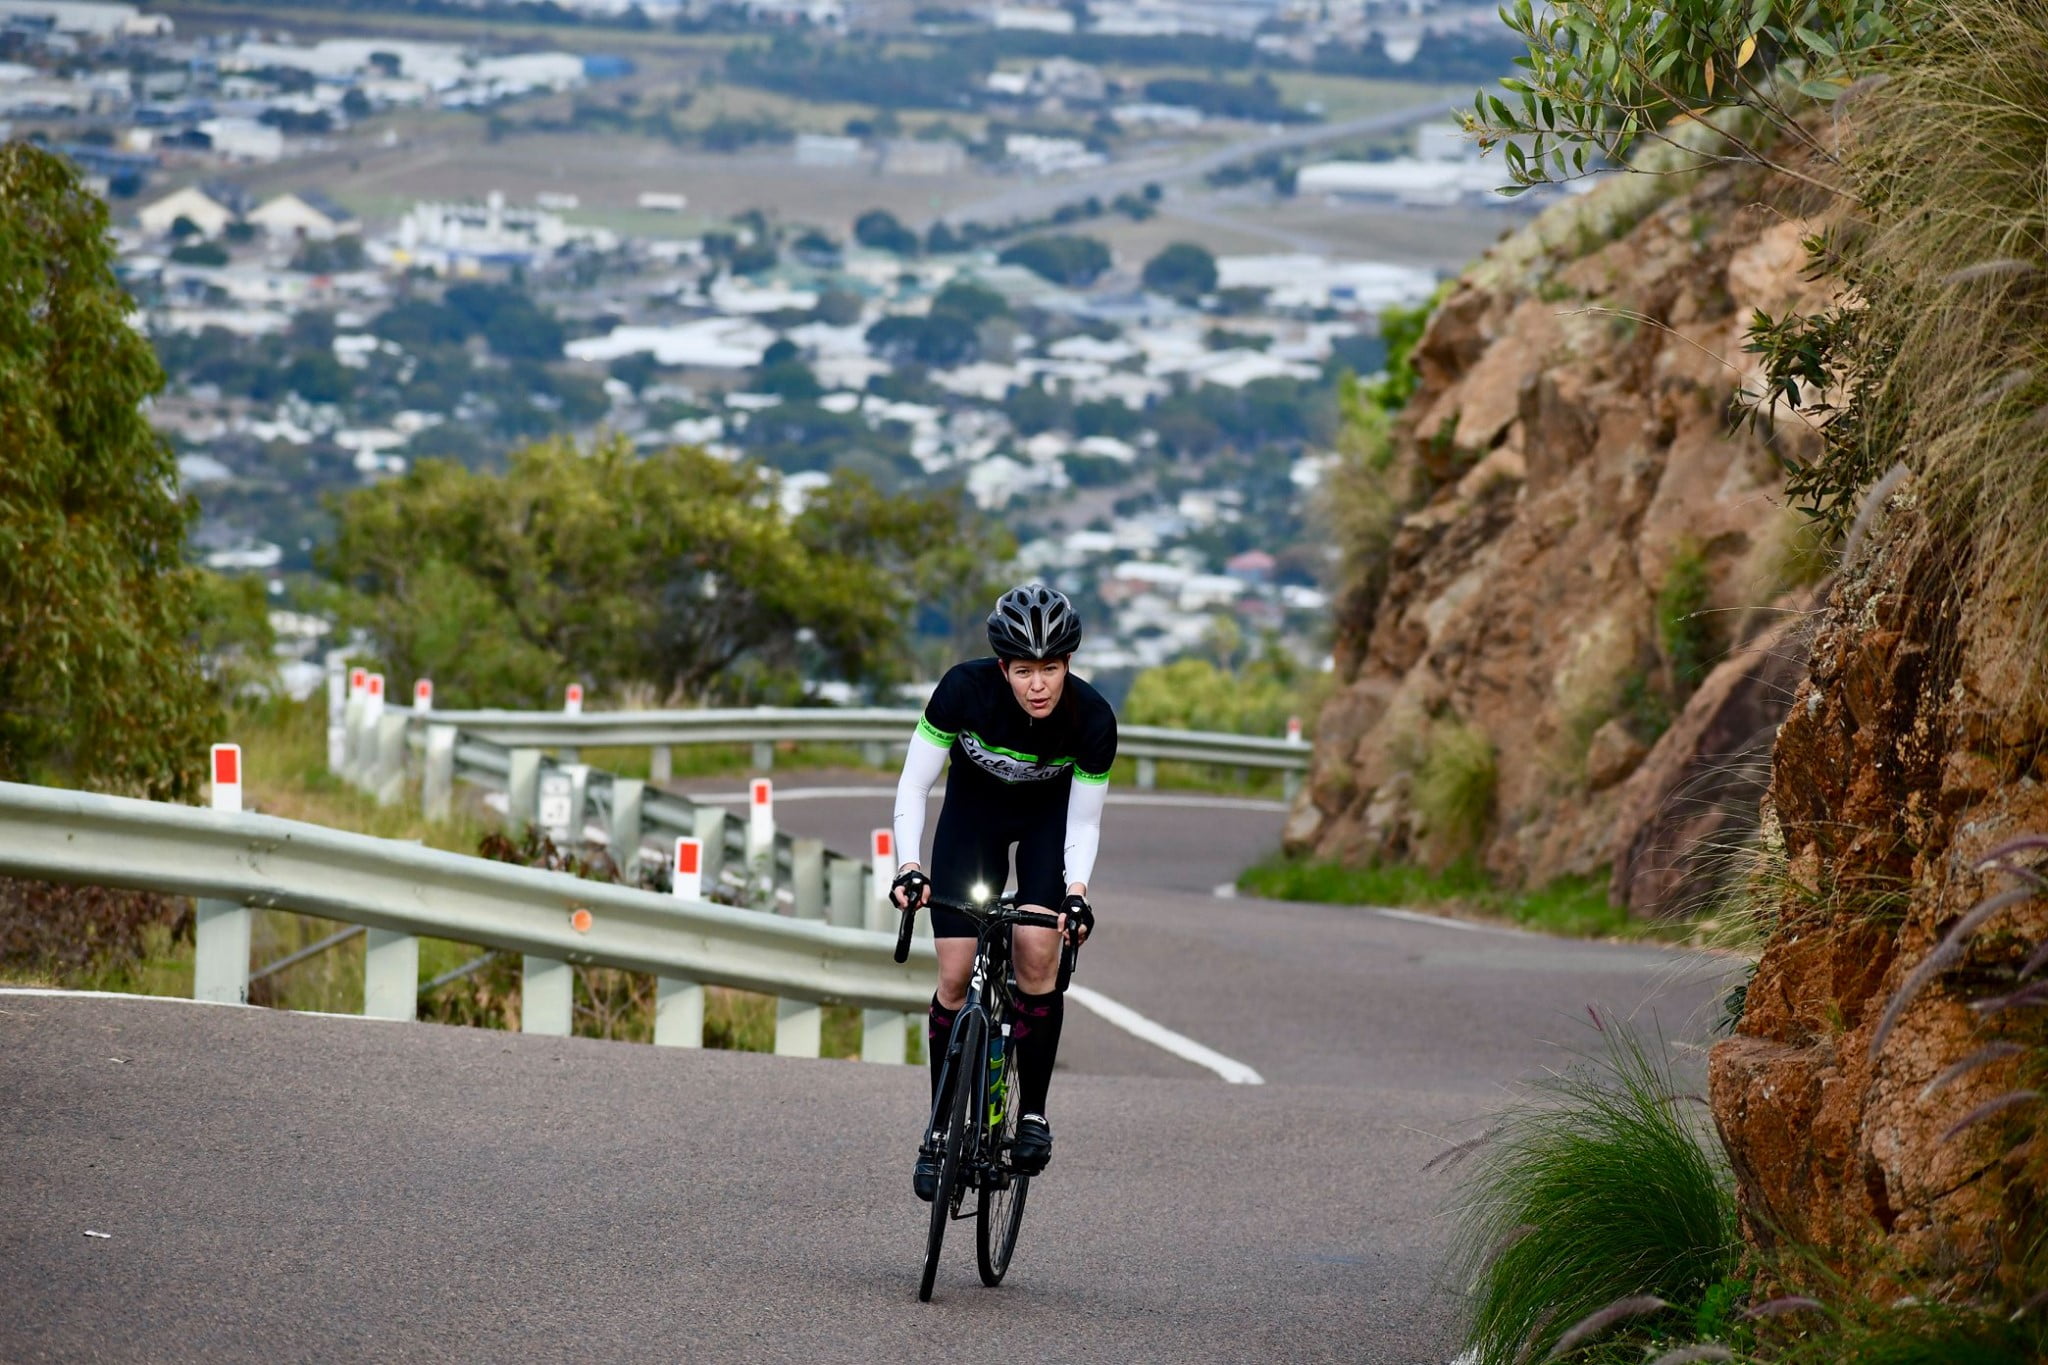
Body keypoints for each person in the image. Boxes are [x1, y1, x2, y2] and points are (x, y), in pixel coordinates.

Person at [890, 583, 1118, 1201]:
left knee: (1038, 956)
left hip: (1046, 825)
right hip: (973, 821)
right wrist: (909, 867)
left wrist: (1074, 892)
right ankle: (939, 1131)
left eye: (1050, 669)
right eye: (1024, 671)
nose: (1038, 684)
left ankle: (1033, 1116)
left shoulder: (1093, 718)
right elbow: (914, 788)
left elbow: (1085, 822)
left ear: (1067, 664)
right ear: (1003, 669)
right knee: (956, 973)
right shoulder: (963, 691)